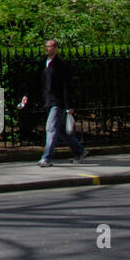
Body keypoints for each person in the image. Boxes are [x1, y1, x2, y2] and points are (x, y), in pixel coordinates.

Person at [18, 39, 89, 167]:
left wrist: (68, 106)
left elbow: (66, 86)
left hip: (58, 102)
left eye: (49, 47)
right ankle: (80, 151)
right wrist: (26, 96)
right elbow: (35, 82)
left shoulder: (61, 65)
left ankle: (46, 158)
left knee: (50, 128)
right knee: (60, 131)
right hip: (48, 101)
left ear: (56, 48)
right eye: (45, 46)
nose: (47, 49)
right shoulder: (43, 64)